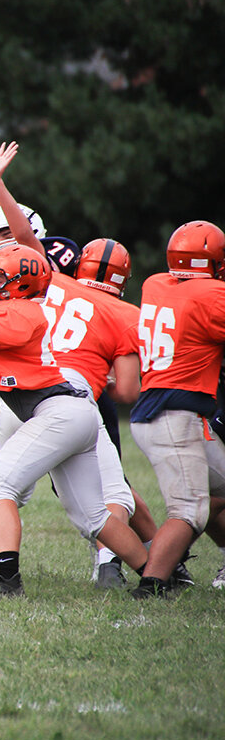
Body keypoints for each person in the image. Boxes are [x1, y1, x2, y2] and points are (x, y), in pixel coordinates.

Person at [0, 142, 150, 597]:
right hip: (70, 409)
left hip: (56, 412)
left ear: (19, 284)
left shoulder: (15, 314)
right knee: (94, 516)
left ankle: (7, 580)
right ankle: (158, 575)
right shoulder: (22, 301)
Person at [128, 220, 225, 598]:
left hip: (165, 412)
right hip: (174, 415)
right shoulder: (212, 295)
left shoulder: (156, 284)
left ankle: (177, 556)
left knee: (215, 491)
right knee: (188, 510)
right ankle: (151, 585)